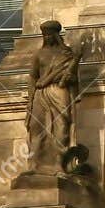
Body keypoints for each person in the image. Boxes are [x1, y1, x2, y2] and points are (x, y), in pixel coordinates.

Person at [25, 20, 81, 171]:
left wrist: (70, 78)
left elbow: (75, 79)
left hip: (59, 91)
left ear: (56, 35)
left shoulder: (67, 54)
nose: (47, 37)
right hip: (40, 94)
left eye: (49, 35)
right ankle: (35, 163)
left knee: (61, 126)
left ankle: (58, 163)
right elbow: (33, 77)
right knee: (35, 127)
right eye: (45, 35)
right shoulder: (39, 54)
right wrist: (30, 100)